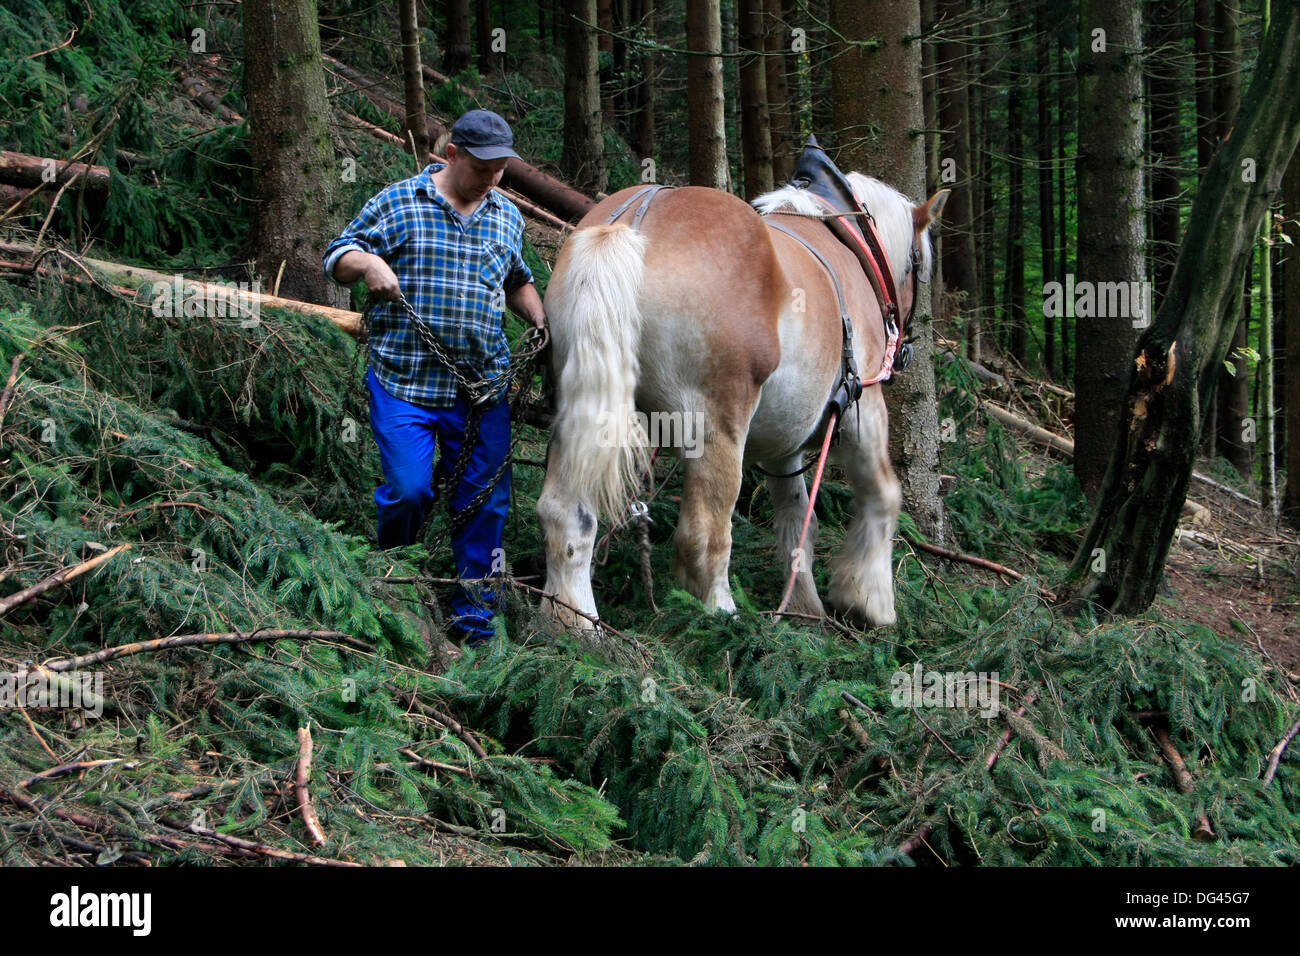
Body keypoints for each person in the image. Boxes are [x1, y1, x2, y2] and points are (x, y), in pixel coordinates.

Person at [323, 109, 547, 647]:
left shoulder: (506, 217)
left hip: (482, 388)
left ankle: (475, 619)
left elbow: (518, 278)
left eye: (502, 168)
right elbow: (337, 255)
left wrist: (540, 322)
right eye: (483, 166)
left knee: (487, 504)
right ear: (452, 155)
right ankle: (396, 584)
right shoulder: (399, 202)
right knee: (408, 490)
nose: (494, 178)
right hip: (407, 384)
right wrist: (368, 265)